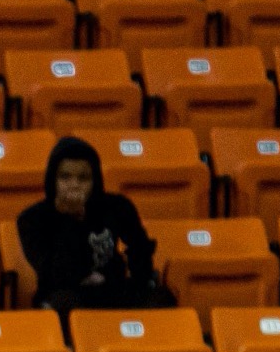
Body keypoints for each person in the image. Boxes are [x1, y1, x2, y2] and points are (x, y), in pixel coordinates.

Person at [17, 135, 170, 317]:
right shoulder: (33, 219)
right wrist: (71, 219)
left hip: (112, 290)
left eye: (83, 178)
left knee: (162, 299)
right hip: (65, 292)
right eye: (65, 177)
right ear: (53, 179)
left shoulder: (117, 206)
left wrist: (139, 281)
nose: (74, 185)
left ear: (95, 180)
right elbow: (54, 273)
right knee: (57, 307)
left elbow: (140, 250)